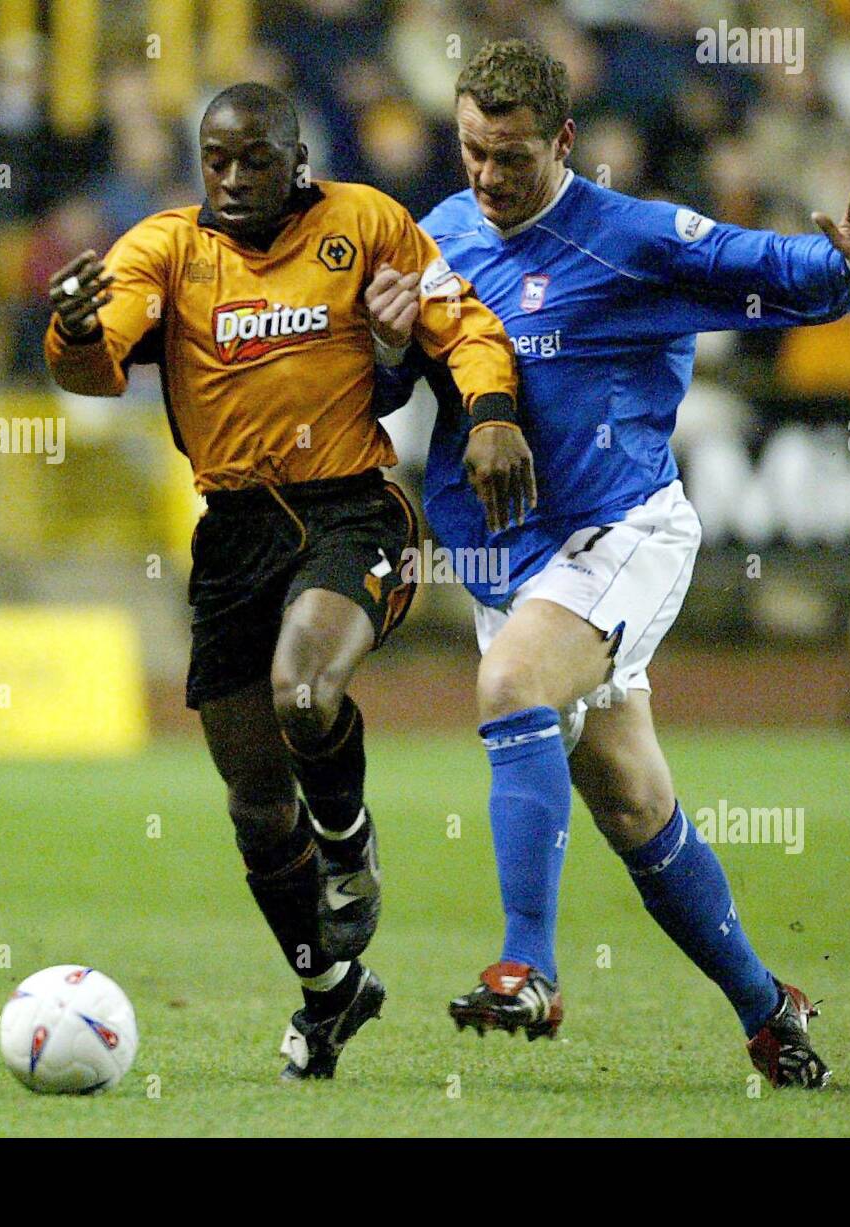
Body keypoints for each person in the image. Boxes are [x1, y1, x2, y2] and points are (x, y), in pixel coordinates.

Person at [367, 40, 850, 1088]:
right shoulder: (438, 237)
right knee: (630, 806)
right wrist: (388, 349)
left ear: (563, 142)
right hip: (509, 562)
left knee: (510, 684)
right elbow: (389, 393)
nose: (486, 175)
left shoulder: (629, 237)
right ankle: (768, 1009)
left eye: (510, 156)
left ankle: (528, 964)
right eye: (471, 150)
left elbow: (764, 267)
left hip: (619, 533)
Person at [44, 83, 517, 1081]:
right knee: (256, 804)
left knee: (304, 689)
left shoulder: (364, 223)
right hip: (233, 537)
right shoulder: (165, 249)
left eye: (251, 159)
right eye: (214, 160)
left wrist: (489, 412)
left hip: (352, 506)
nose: (230, 177)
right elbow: (94, 367)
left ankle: (349, 847)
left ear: (297, 158)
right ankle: (331, 995)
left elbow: (459, 322)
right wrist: (78, 336)